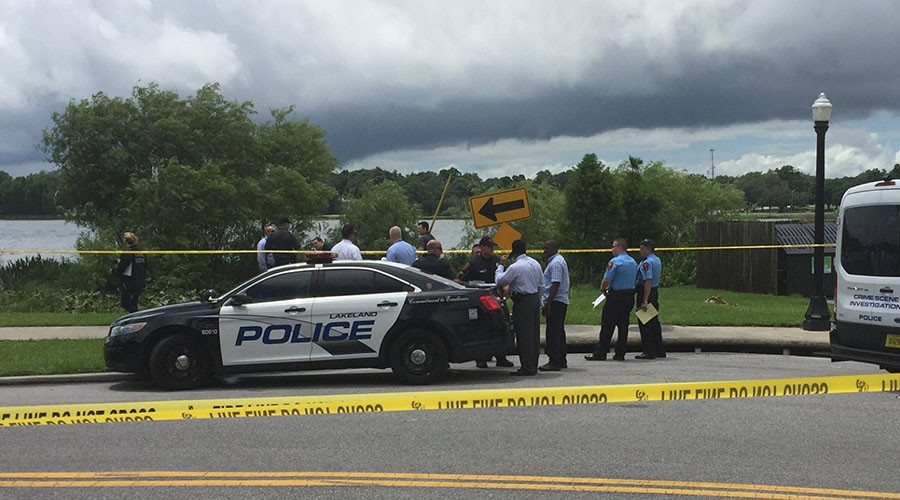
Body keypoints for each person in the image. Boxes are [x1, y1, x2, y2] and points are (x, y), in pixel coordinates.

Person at [458, 236, 514, 368]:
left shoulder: (497, 261)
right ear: (482, 247)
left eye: (492, 247)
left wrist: (506, 287)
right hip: (481, 301)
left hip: (496, 297)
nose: (491, 249)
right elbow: (460, 279)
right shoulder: (474, 263)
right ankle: (481, 358)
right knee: (481, 329)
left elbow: (506, 277)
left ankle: (501, 357)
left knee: (501, 326)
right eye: (489, 247)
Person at [495, 239, 543, 376]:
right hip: (534, 298)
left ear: (513, 252)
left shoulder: (516, 267)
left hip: (522, 301)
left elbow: (500, 280)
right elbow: (541, 285)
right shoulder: (535, 264)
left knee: (524, 335)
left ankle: (527, 367)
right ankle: (533, 364)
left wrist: (501, 265)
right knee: (534, 335)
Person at [586, 238, 638, 361]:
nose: (612, 249)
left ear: (620, 247)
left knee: (607, 325)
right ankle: (620, 353)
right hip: (629, 296)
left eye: (613, 246)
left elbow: (607, 280)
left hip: (615, 297)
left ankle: (601, 352)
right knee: (623, 326)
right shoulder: (633, 262)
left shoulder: (614, 262)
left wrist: (603, 289)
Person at [539, 240, 570, 371]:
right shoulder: (557, 261)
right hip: (558, 301)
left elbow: (555, 284)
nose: (544, 251)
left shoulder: (556, 263)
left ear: (553, 248)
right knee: (558, 331)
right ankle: (561, 359)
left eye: (546, 248)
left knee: (553, 333)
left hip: (555, 301)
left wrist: (548, 303)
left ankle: (554, 361)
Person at [635, 239, 666, 359]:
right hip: (654, 292)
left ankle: (649, 351)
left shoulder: (647, 263)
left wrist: (644, 300)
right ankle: (659, 349)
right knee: (654, 322)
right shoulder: (656, 259)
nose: (640, 251)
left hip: (646, 292)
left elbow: (648, 281)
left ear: (649, 249)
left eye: (642, 248)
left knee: (645, 323)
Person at [116, 232, 146, 313]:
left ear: (125, 241)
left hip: (129, 282)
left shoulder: (127, 253)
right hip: (139, 280)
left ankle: (138, 315)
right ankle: (136, 316)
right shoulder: (141, 252)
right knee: (133, 303)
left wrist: (114, 271)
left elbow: (122, 266)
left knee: (126, 304)